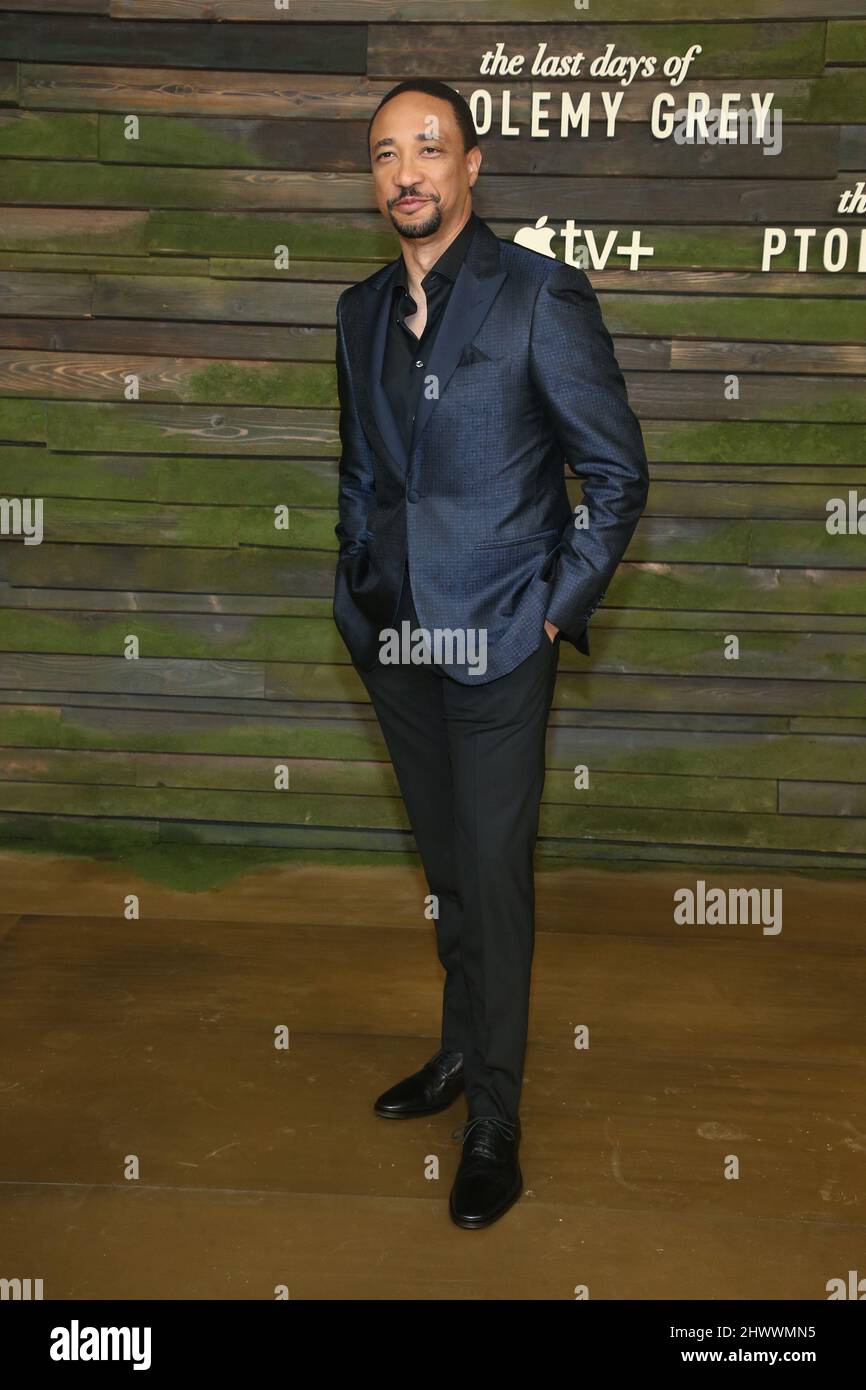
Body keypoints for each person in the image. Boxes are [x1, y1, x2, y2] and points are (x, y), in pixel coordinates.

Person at [332, 78, 649, 1229]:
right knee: (451, 875)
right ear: (372, 179)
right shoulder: (359, 311)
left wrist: (551, 611)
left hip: (504, 635)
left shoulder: (536, 296)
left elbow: (614, 476)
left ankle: (496, 1122)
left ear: (473, 163)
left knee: (496, 879)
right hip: (399, 641)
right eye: (384, 155)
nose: (406, 171)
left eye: (428, 148)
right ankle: (461, 1049)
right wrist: (357, 594)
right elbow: (366, 475)